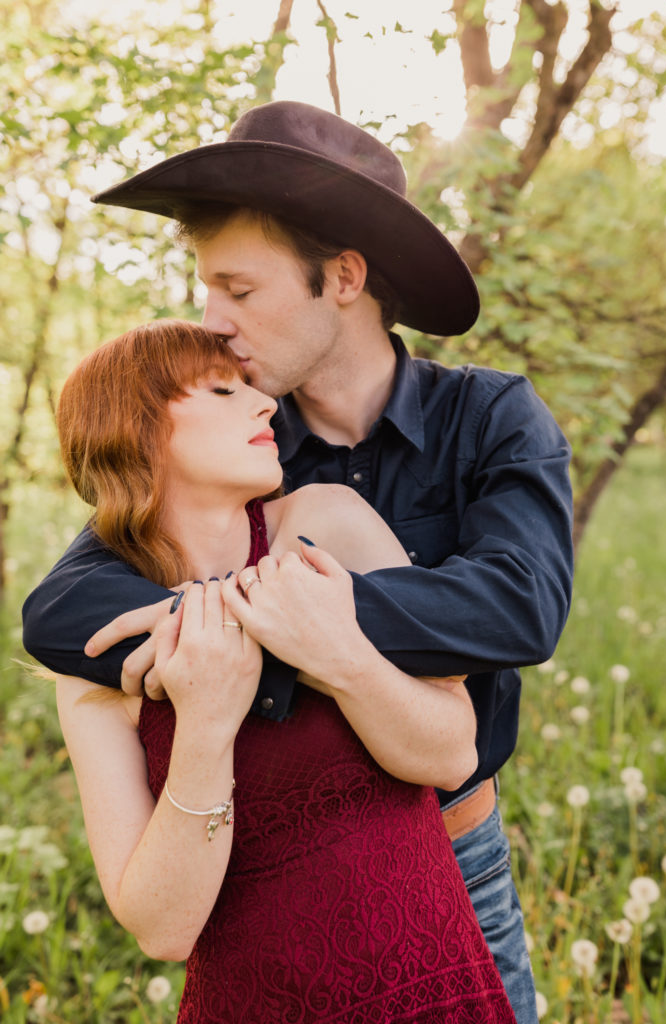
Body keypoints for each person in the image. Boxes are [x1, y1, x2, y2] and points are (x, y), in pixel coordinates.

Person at [23, 100, 574, 1024]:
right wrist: (246, 620)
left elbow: (518, 610)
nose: (216, 323)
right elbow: (63, 607)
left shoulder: (490, 418)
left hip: (453, 857)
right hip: (263, 880)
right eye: (205, 291)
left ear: (344, 277)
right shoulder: (237, 448)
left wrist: (304, 628)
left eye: (238, 291)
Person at [50, 318, 515, 1023]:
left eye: (252, 387)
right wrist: (205, 721)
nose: (265, 403)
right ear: (136, 429)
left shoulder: (330, 525)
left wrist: (334, 654)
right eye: (221, 389)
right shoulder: (98, 653)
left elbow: (451, 753)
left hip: (433, 983)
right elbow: (162, 928)